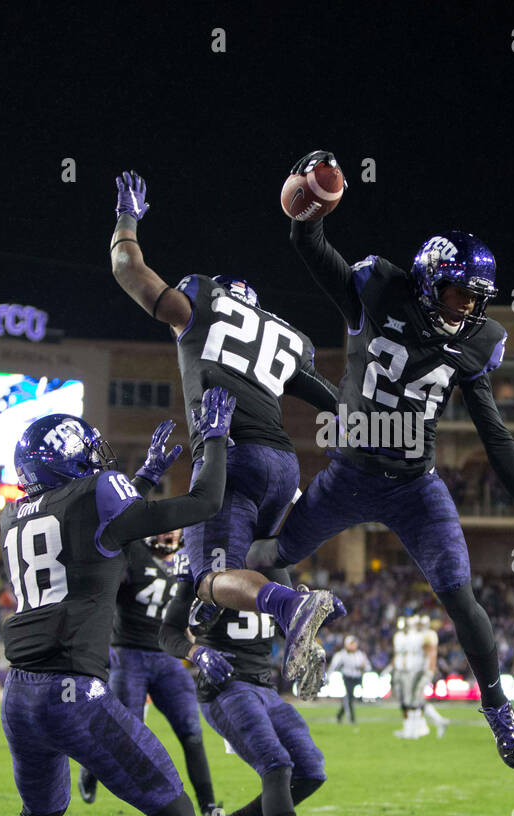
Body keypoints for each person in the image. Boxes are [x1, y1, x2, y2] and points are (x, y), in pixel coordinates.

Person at [248, 149, 514, 769]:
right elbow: (311, 247)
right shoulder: (376, 291)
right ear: (428, 280)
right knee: (265, 556)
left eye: (476, 300)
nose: (466, 310)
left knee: (460, 596)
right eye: (457, 294)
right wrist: (309, 207)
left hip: (414, 485)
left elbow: (496, 437)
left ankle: (498, 706)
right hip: (348, 474)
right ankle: (255, 617)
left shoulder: (478, 342)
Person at [109, 171, 346, 701]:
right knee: (253, 559)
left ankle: (291, 607)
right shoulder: (283, 337)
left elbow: (128, 268)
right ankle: (280, 627)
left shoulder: (201, 305)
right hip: (283, 468)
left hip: (229, 460)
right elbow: (333, 399)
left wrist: (128, 218)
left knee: (209, 575)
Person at [0, 392, 234, 816]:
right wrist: (214, 439)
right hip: (72, 692)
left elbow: (92, 528)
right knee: (173, 806)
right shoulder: (94, 494)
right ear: (65, 460)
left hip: (19, 695)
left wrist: (146, 477)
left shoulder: (11, 517)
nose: (96, 462)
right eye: (85, 453)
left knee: (39, 814)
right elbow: (206, 501)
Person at [171, 599, 351, 816]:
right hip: (225, 687)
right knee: (275, 764)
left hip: (265, 687)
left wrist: (312, 635)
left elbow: (291, 627)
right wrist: (196, 652)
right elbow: (167, 632)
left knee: (311, 770)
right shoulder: (209, 567)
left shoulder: (273, 571)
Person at [77, 529, 219, 816]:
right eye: (164, 530)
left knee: (191, 732)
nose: (169, 536)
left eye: (174, 532)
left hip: (167, 657)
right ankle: (90, 770)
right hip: (129, 653)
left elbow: (187, 615)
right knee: (125, 733)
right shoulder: (132, 553)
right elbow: (102, 596)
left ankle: (208, 807)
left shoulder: (187, 559)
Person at [329, 635, 371, 725]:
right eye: (351, 643)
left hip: (358, 677)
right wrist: (328, 677)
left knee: (350, 699)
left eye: (354, 643)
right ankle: (352, 719)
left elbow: (368, 667)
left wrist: (364, 666)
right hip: (347, 677)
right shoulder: (341, 654)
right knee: (349, 698)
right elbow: (333, 666)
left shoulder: (360, 654)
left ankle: (339, 715)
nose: (353, 645)